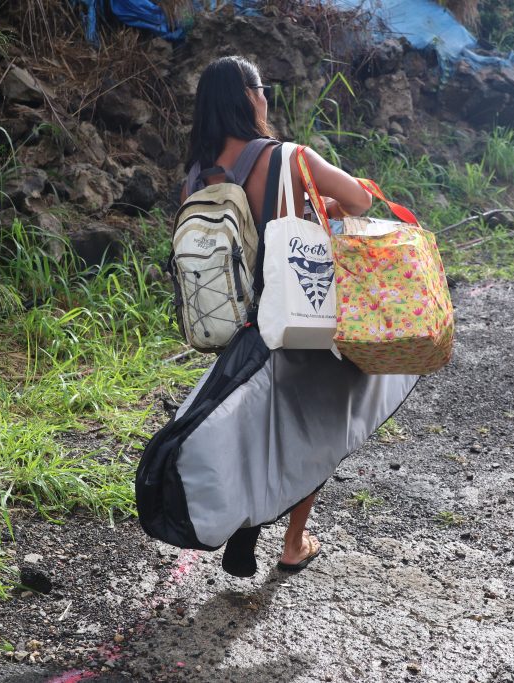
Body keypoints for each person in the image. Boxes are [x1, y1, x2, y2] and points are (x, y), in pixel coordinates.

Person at [182, 55, 372, 575]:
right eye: (262, 88)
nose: (266, 97)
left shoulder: (198, 175)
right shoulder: (291, 158)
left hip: (236, 323)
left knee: (255, 426)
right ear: (249, 97)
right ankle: (293, 540)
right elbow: (357, 200)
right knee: (316, 432)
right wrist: (324, 207)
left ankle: (246, 527)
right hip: (298, 319)